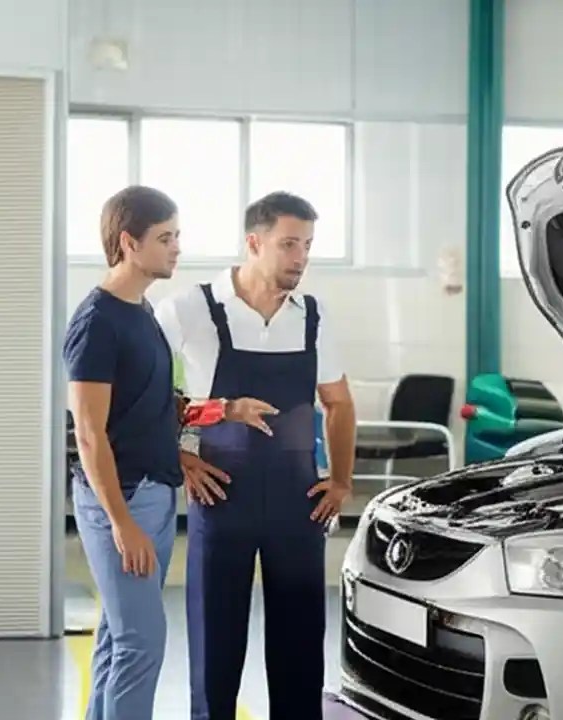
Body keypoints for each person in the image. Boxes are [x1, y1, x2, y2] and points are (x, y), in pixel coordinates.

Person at [65, 186, 274, 720]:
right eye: (166, 237)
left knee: (119, 639)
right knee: (142, 645)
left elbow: (159, 406)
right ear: (128, 243)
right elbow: (89, 434)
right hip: (124, 499)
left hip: (154, 494)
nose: (177, 247)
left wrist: (225, 410)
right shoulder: (97, 323)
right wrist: (121, 523)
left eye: (177, 235)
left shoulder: (141, 315)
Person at [154, 190, 357, 720]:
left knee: (299, 645)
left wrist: (340, 482)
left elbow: (337, 403)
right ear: (254, 241)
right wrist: (179, 458)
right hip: (222, 494)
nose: (301, 257)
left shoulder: (314, 316)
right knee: (215, 642)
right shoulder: (189, 308)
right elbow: (141, 396)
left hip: (298, 502)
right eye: (289, 244)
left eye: (308, 245)